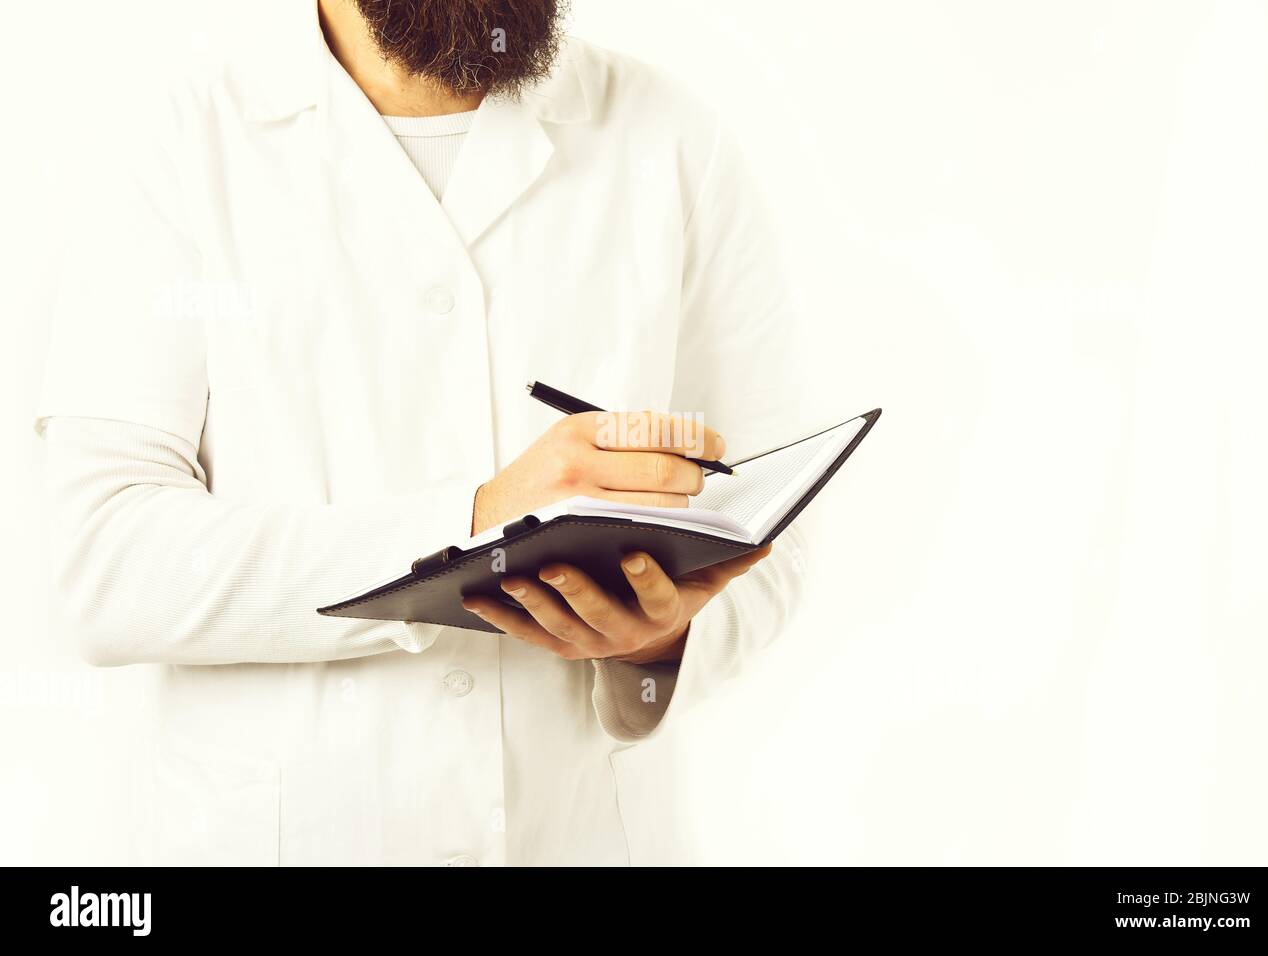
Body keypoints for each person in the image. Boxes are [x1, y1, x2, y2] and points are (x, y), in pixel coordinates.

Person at [37, 0, 808, 865]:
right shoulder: (181, 145)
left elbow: (772, 531)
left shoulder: (671, 138)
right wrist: (471, 528)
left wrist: (660, 640)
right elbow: (104, 567)